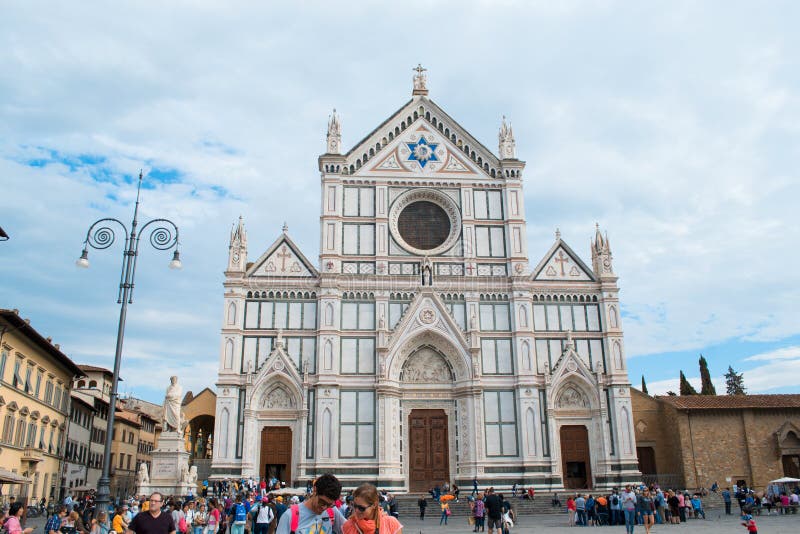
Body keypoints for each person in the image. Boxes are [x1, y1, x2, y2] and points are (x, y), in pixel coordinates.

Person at [275, 473, 345, 534]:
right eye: (322, 502)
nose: (324, 507)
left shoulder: (331, 512)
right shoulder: (290, 516)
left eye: (329, 505)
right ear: (315, 490)